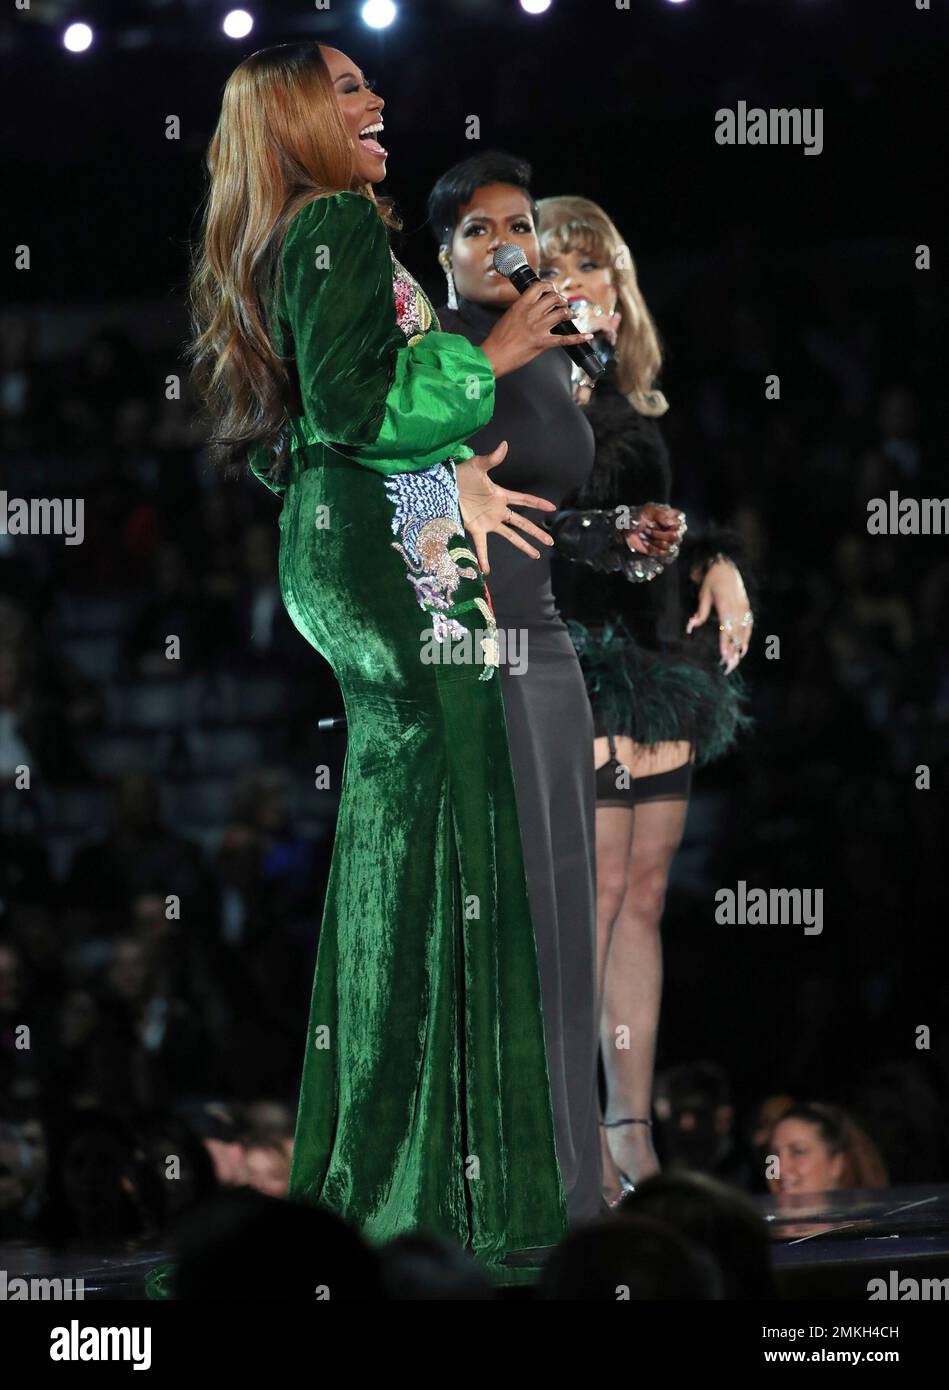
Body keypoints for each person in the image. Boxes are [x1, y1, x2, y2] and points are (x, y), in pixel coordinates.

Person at [151, 43, 597, 1293]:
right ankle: (449, 1188)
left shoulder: (290, 234)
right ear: (301, 117)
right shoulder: (338, 220)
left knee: (410, 839)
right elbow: (354, 408)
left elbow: (290, 439)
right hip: (397, 570)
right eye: (349, 91)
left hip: (351, 556)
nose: (377, 104)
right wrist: (491, 355)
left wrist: (435, 458)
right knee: (454, 830)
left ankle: (402, 1174)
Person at [428, 153, 680, 1224]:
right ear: (440, 253)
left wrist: (615, 534)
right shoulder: (436, 349)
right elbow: (410, 491)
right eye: (477, 230)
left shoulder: (545, 353)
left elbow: (526, 515)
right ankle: (497, 1183)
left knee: (568, 924)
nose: (505, 243)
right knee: (512, 918)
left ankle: (577, 1186)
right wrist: (491, 354)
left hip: (550, 648)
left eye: (517, 224)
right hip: (475, 656)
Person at [536, 195, 754, 1201]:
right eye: (562, 267)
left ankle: (629, 1124)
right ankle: (569, 1128)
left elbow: (676, 514)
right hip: (573, 658)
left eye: (598, 268)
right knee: (592, 891)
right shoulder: (524, 391)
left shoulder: (645, 403)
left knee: (642, 895)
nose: (583, 283)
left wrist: (719, 562)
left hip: (656, 655)